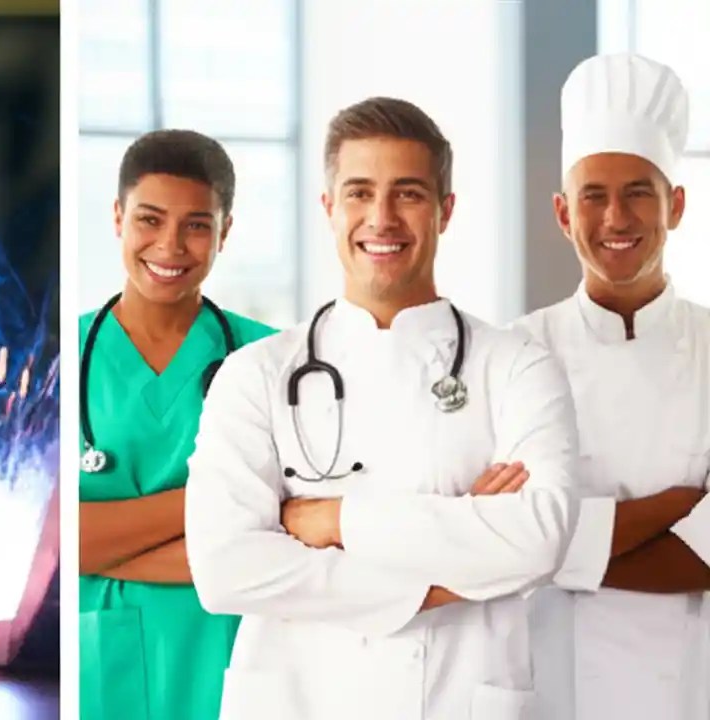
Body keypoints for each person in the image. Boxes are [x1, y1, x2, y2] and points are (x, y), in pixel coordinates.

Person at [185, 97, 580, 719]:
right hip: (299, 699)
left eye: (409, 194)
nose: (382, 217)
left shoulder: (518, 367)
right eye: (360, 192)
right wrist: (448, 570)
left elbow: (539, 539)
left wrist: (335, 523)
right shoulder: (256, 375)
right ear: (329, 207)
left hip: (458, 695)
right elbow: (224, 568)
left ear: (445, 210)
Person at [515, 53, 710, 720]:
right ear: (563, 213)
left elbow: (705, 562)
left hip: (688, 689)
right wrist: (677, 507)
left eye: (638, 192)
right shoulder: (510, 355)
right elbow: (490, 537)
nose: (616, 218)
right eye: (594, 196)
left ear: (675, 206)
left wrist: (546, 551)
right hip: (550, 682)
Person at [78, 129, 276, 720]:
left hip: (227, 651)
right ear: (117, 217)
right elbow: (59, 545)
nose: (170, 245)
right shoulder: (63, 354)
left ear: (225, 232)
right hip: (99, 669)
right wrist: (214, 505)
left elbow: (285, 544)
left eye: (196, 225)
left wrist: (99, 547)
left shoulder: (270, 360)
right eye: (150, 219)